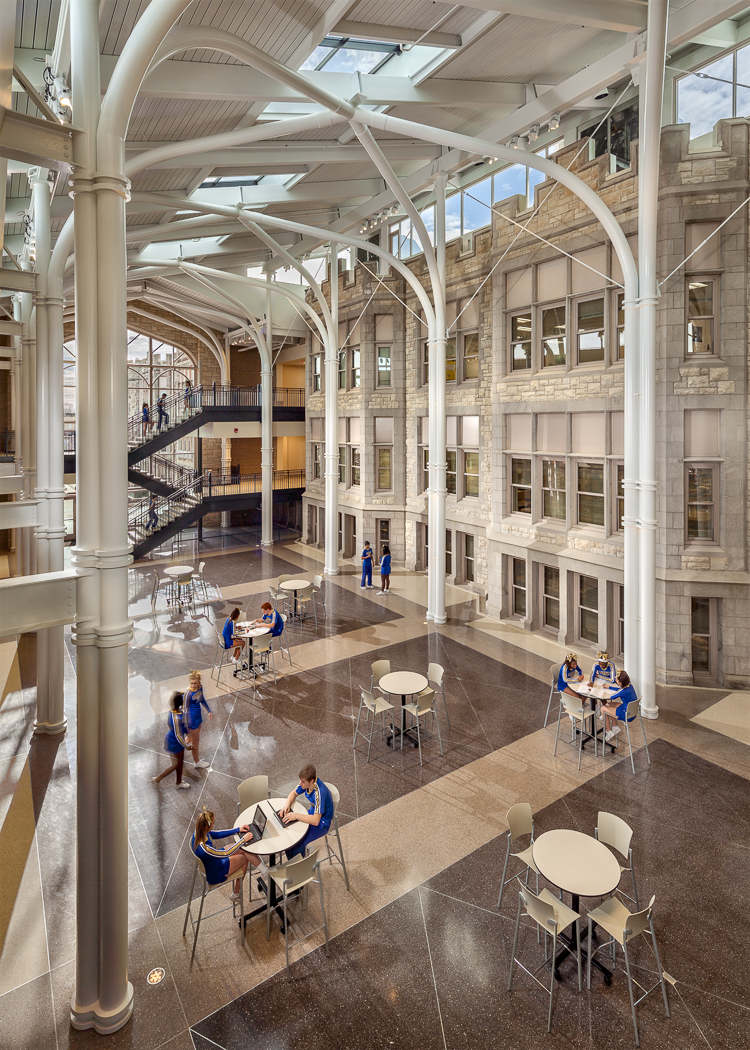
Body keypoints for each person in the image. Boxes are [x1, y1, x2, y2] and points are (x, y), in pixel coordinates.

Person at [192, 806, 269, 901]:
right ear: (207, 826)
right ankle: (237, 892)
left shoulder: (199, 832)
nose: (214, 825)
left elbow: (217, 834)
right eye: (213, 823)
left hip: (214, 861)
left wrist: (237, 830)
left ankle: (264, 871)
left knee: (242, 849)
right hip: (215, 872)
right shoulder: (204, 848)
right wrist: (243, 840)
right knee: (244, 858)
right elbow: (226, 853)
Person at [279, 764, 334, 861]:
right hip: (312, 814)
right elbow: (294, 793)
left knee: (296, 842)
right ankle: (292, 863)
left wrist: (296, 815)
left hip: (321, 824)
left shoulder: (320, 792)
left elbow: (316, 821)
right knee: (290, 836)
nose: (300, 784)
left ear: (311, 781)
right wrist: (287, 805)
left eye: (303, 782)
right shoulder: (306, 784)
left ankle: (299, 867)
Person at [152, 691, 192, 789]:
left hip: (177, 740)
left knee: (180, 762)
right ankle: (157, 779)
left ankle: (178, 783)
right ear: (180, 703)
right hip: (175, 742)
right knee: (175, 764)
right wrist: (186, 746)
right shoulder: (176, 717)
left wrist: (188, 734)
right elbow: (178, 735)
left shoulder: (175, 710)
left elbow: (183, 727)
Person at [598, 670, 638, 743]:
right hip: (631, 711)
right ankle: (614, 726)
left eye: (616, 678)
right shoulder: (629, 686)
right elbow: (620, 689)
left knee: (603, 708)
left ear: (620, 682)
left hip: (625, 713)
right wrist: (609, 687)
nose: (615, 679)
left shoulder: (623, 691)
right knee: (608, 705)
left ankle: (608, 731)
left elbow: (612, 697)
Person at [184, 671, 212, 769]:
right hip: (191, 721)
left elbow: (202, 699)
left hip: (198, 718)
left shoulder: (200, 687)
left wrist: (208, 710)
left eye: (195, 683)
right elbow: (185, 711)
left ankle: (180, 744)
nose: (193, 685)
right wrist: (187, 729)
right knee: (195, 743)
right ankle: (197, 762)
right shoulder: (188, 694)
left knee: (192, 740)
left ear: (199, 682)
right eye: (191, 683)